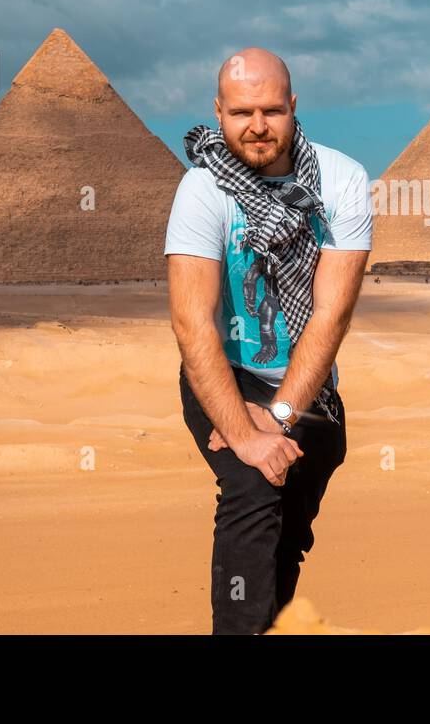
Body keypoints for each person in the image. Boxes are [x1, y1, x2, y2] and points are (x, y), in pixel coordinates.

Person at [165, 47, 371, 634]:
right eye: (241, 112)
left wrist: (277, 419)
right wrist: (243, 434)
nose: (257, 125)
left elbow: (330, 314)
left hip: (307, 383)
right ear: (218, 112)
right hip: (223, 371)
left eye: (272, 110)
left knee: (286, 535)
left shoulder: (340, 180)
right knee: (253, 485)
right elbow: (192, 325)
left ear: (294, 106)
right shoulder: (201, 190)